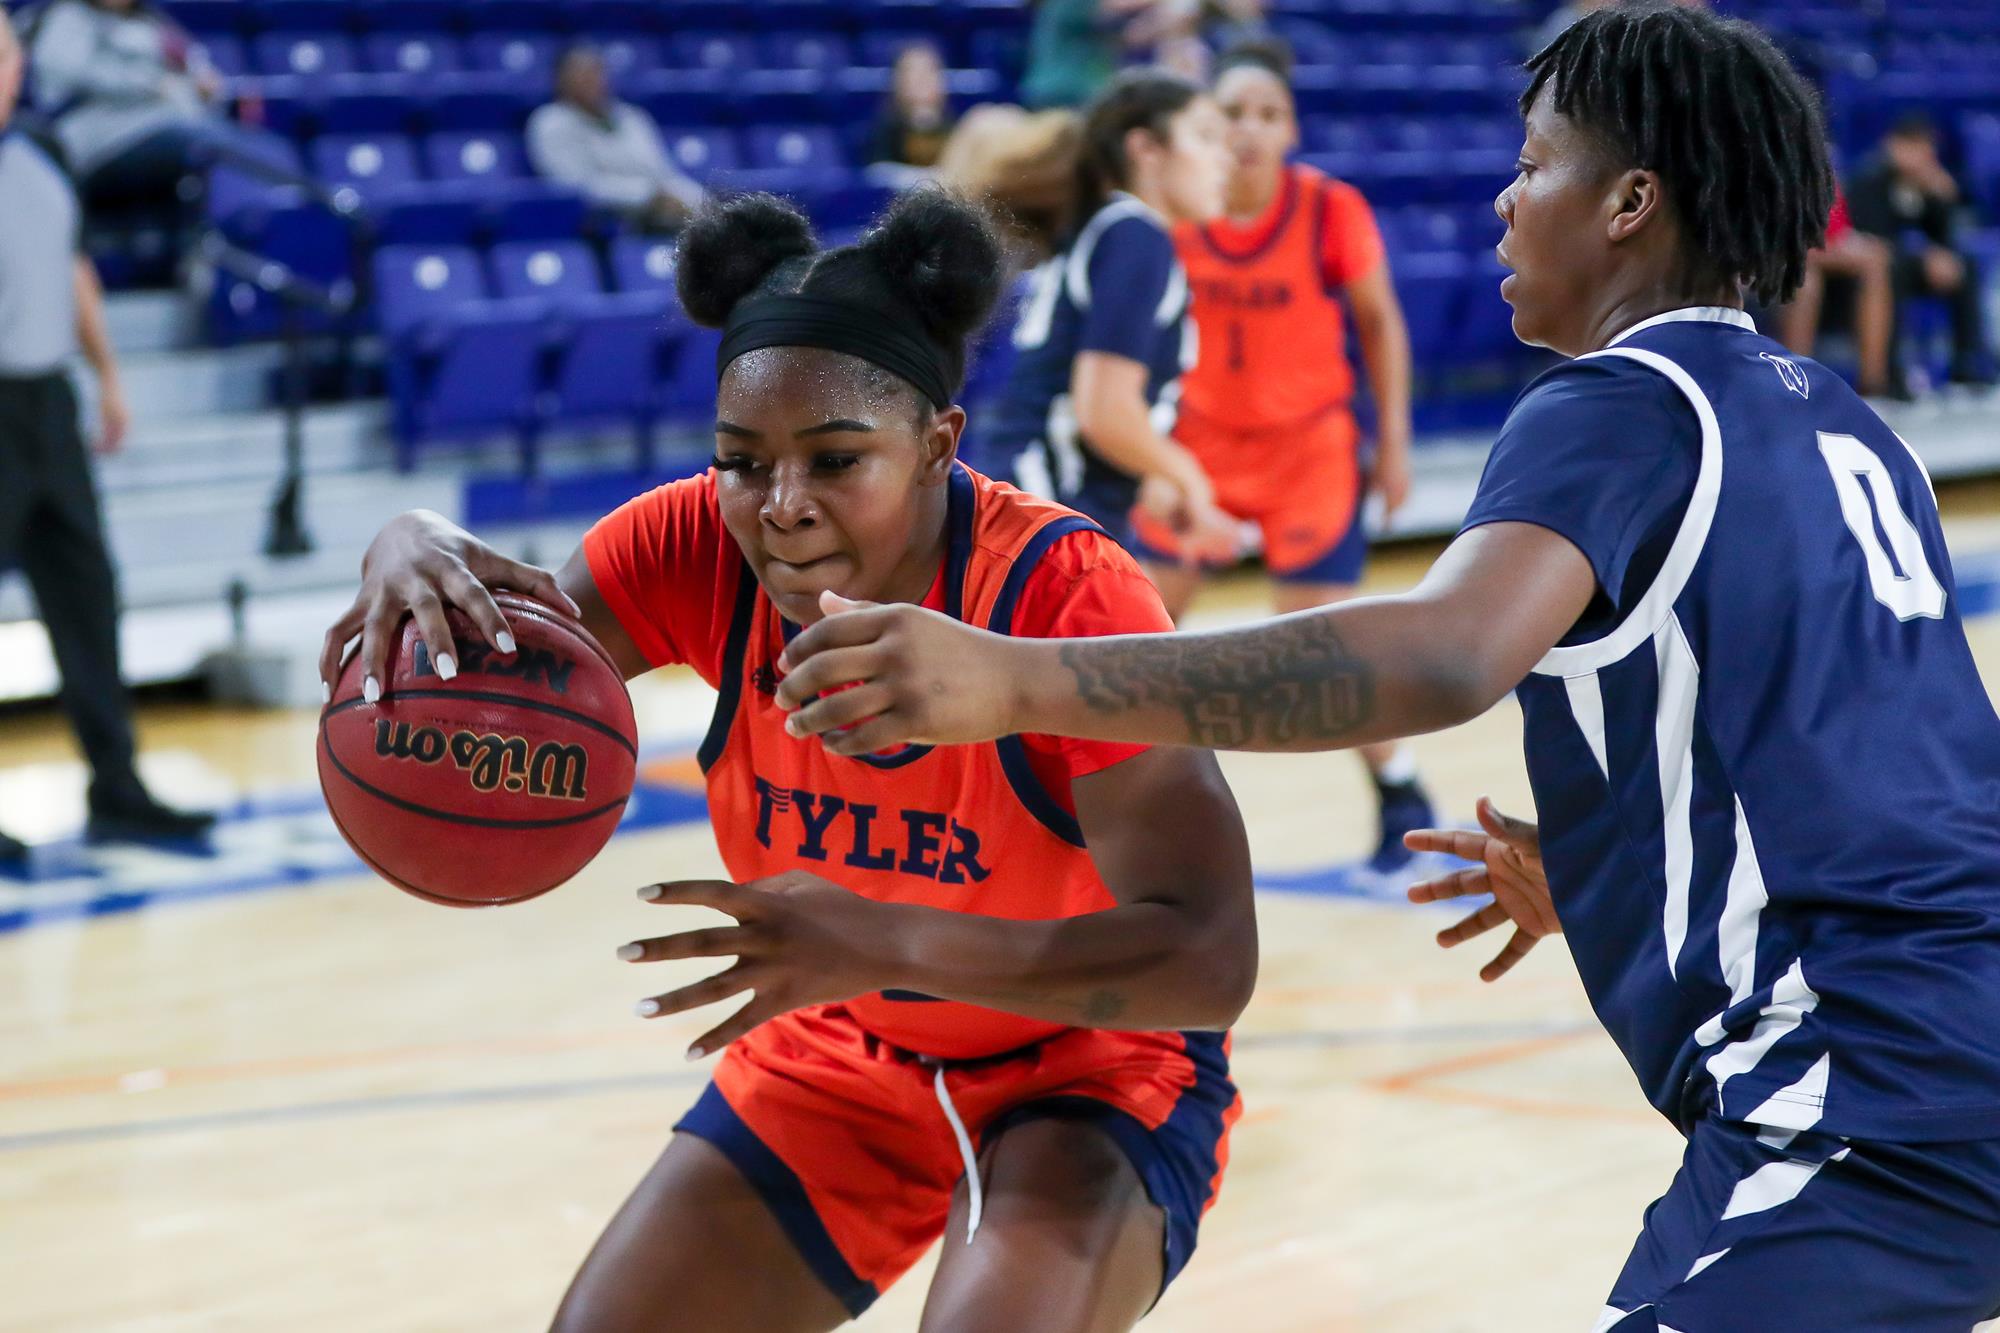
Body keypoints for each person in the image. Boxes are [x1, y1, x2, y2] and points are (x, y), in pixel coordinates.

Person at [777, 5, 2000, 1325]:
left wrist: (1011, 680)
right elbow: (1893, 753)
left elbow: (1436, 657)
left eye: (1536, 165)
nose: (1504, 198)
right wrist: (1620, 859)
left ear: (1631, 202)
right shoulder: (1851, 427)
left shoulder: (1620, 403)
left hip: (1861, 1090)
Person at [319, 188, 1254, 1332]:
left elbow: (1207, 959)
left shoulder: (1064, 594)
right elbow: (498, 682)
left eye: (835, 459)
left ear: (935, 445)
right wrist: (409, 543)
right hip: (844, 1049)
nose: (780, 508)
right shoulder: (682, 547)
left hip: (1089, 1063)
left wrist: (879, 940)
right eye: (741, 460)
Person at [1138, 40, 1432, 871]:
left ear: (1290, 127)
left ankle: (1402, 790)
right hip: (1199, 450)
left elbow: (1381, 325)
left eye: (1267, 114)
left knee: (1320, 651)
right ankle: (1123, 814)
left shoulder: (1327, 207)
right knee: (1140, 633)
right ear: (1207, 122)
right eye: (1232, 112)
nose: (1248, 129)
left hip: (1310, 450)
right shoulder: (1178, 213)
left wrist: (1397, 446)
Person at [0, 7, 216, 864]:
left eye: (8, 50)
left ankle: (117, 787)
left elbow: (73, 266)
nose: (6, 65)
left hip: (47, 401)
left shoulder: (44, 149)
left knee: (88, 591)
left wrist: (108, 376)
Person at [978, 69, 1238, 563]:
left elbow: (1077, 410)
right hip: (1046, 511)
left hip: (1029, 498)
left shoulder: (1101, 227)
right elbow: (1104, 411)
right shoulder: (1136, 234)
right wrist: (1187, 475)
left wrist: (1151, 479)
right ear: (1146, 150)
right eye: (1205, 138)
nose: (1225, 159)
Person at [27, 0, 267, 209]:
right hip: (100, 137)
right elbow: (58, 79)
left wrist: (206, 89)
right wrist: (147, 81)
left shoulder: (153, 22)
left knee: (242, 145)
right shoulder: (69, 16)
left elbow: (194, 69)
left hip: (169, 125)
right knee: (206, 144)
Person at [1847, 112, 1996, 390]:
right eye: (1914, 145)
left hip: (1916, 263)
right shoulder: (1869, 178)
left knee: (1965, 265)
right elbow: (1873, 234)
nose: (1923, 154)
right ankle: (1891, 374)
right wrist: (1924, 255)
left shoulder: (1929, 182)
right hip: (1876, 265)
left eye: (1927, 147)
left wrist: (1943, 201)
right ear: (1893, 145)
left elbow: (1943, 235)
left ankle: (1967, 363)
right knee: (1890, 271)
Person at [525, 44, 704, 234]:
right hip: (605, 221)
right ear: (561, 80)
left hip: (664, 210)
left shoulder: (633, 116)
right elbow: (573, 186)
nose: (591, 80)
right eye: (581, 73)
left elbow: (664, 172)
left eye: (596, 71)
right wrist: (648, 196)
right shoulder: (549, 121)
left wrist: (700, 202)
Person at [1775, 183, 1898, 399]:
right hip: (1757, 259)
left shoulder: (1813, 160)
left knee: (1875, 261)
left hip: (1815, 253)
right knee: (1804, 277)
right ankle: (1793, 385)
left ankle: (1873, 384)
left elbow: (1835, 228)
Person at [869, 42, 956, 170]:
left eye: (930, 71)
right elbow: (878, 175)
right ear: (897, 81)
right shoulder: (881, 132)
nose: (921, 78)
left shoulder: (958, 131)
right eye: (912, 72)